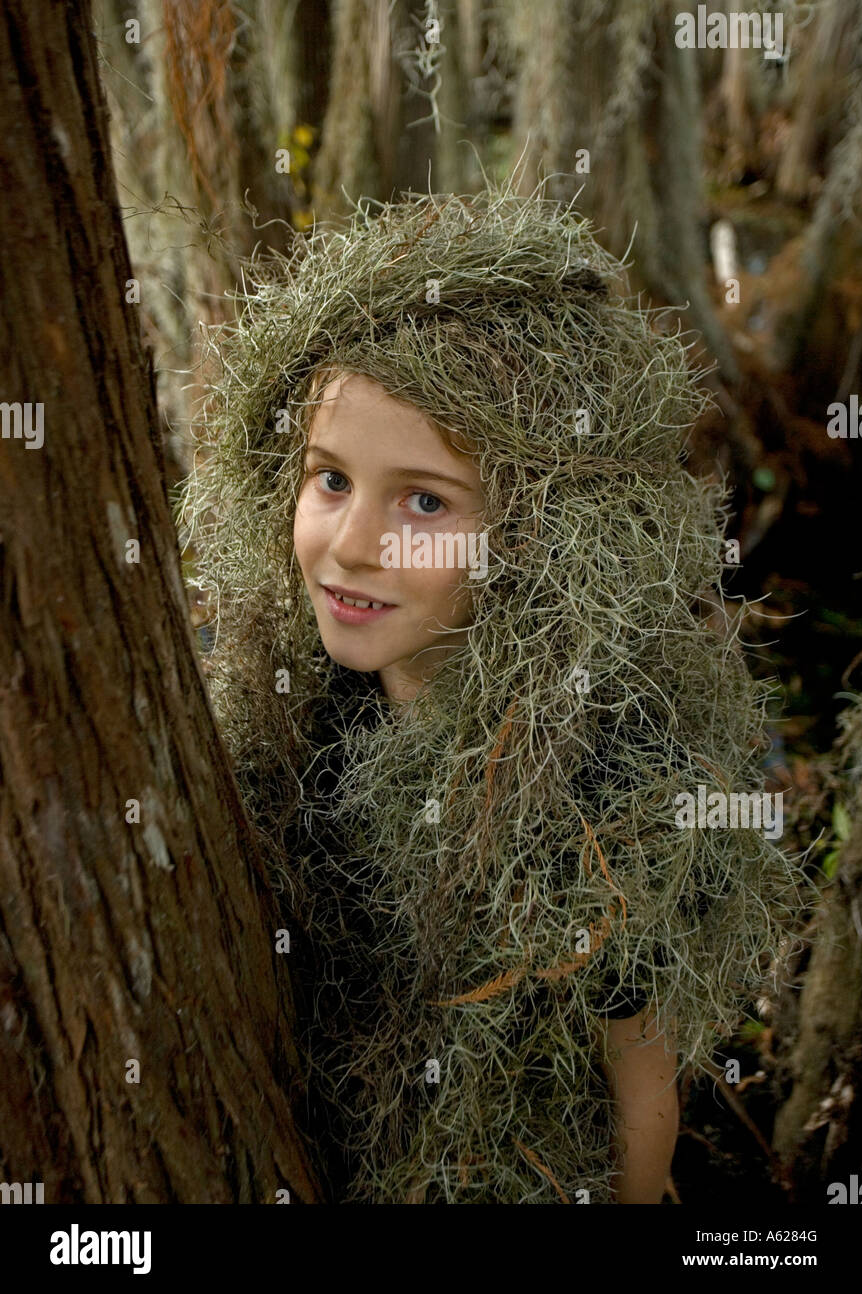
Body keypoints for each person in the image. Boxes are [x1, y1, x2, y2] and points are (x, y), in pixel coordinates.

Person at [180, 177, 807, 1203]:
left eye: (423, 500)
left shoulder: (606, 783)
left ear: (539, 531)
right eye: (329, 478)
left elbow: (641, 1090)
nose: (350, 544)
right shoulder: (298, 706)